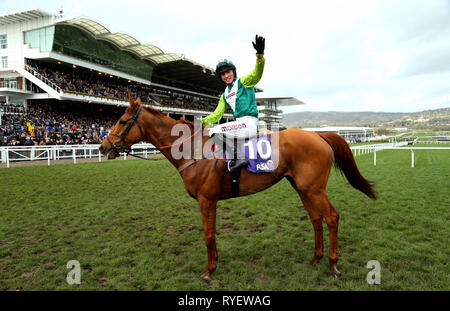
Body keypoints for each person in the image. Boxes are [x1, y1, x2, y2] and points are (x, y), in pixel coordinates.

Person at [202, 35, 265, 171]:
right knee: (215, 129)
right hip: (240, 126)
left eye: (228, 72)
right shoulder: (224, 94)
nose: (226, 76)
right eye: (223, 74)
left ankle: (239, 157)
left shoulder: (243, 82)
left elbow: (257, 73)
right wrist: (201, 121)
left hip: (249, 123)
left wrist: (259, 56)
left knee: (214, 130)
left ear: (233, 72)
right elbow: (216, 116)